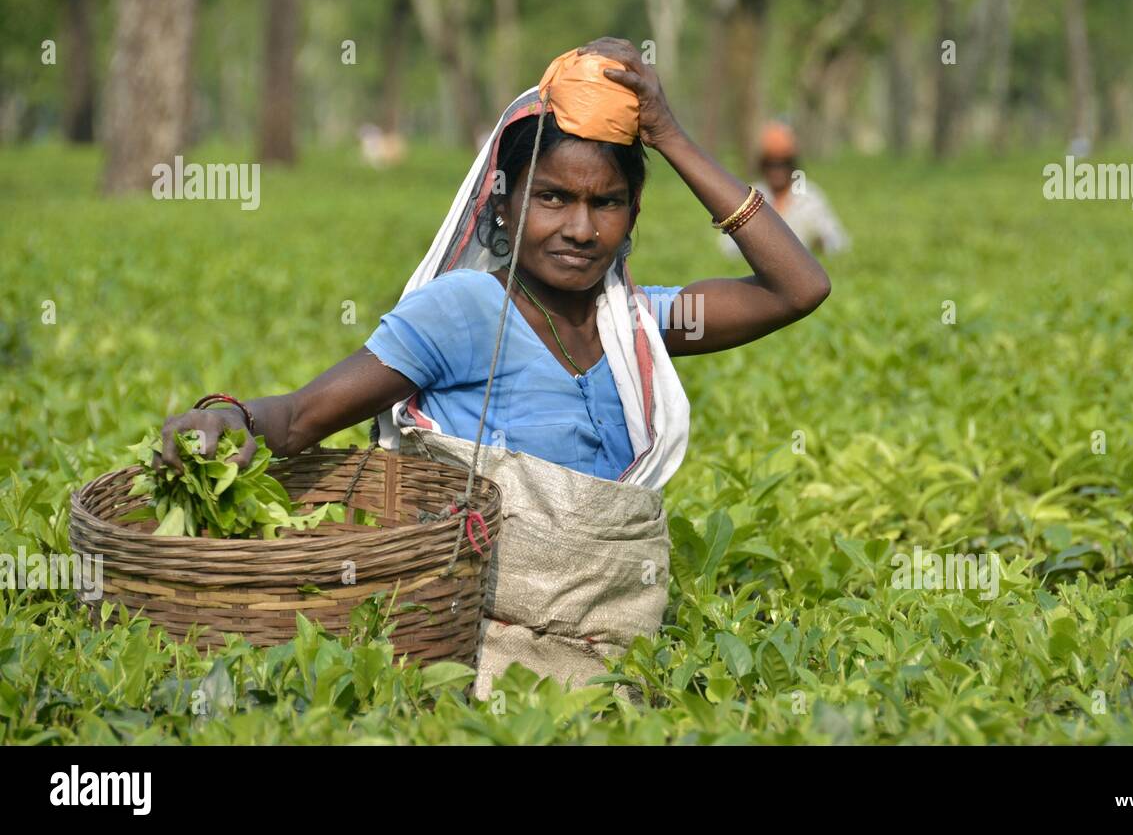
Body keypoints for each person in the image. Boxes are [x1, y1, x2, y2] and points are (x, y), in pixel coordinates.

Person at [154, 37, 831, 697]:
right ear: (501, 203)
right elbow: (301, 417)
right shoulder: (463, 312)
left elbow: (796, 287)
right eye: (553, 197)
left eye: (608, 202)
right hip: (475, 667)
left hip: (618, 664)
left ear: (633, 214)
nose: (580, 228)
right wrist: (230, 418)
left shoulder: (636, 325)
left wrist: (671, 138)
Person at [718, 120, 849, 258]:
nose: (777, 171)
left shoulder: (809, 196)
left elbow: (839, 242)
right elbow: (728, 247)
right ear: (762, 165)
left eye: (783, 164)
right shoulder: (750, 197)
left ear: (792, 164)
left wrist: (821, 244)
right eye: (771, 164)